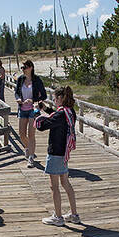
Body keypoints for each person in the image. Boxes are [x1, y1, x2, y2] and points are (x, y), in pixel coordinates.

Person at [40, 85, 84, 226]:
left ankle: (58, 217)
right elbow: (56, 116)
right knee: (66, 183)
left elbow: (42, 125)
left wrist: (36, 112)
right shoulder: (70, 112)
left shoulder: (61, 114)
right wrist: (45, 109)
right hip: (64, 153)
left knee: (54, 186)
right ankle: (74, 214)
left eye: (54, 99)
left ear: (60, 98)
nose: (54, 101)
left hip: (56, 153)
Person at [9, 60, 46, 163]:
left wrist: (33, 100)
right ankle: (28, 148)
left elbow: (44, 95)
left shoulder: (37, 80)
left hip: (33, 110)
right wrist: (18, 99)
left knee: (31, 134)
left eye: (24, 67)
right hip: (22, 108)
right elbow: (16, 92)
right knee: (21, 134)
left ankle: (31, 157)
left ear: (31, 68)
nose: (23, 70)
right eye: (22, 68)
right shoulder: (20, 79)